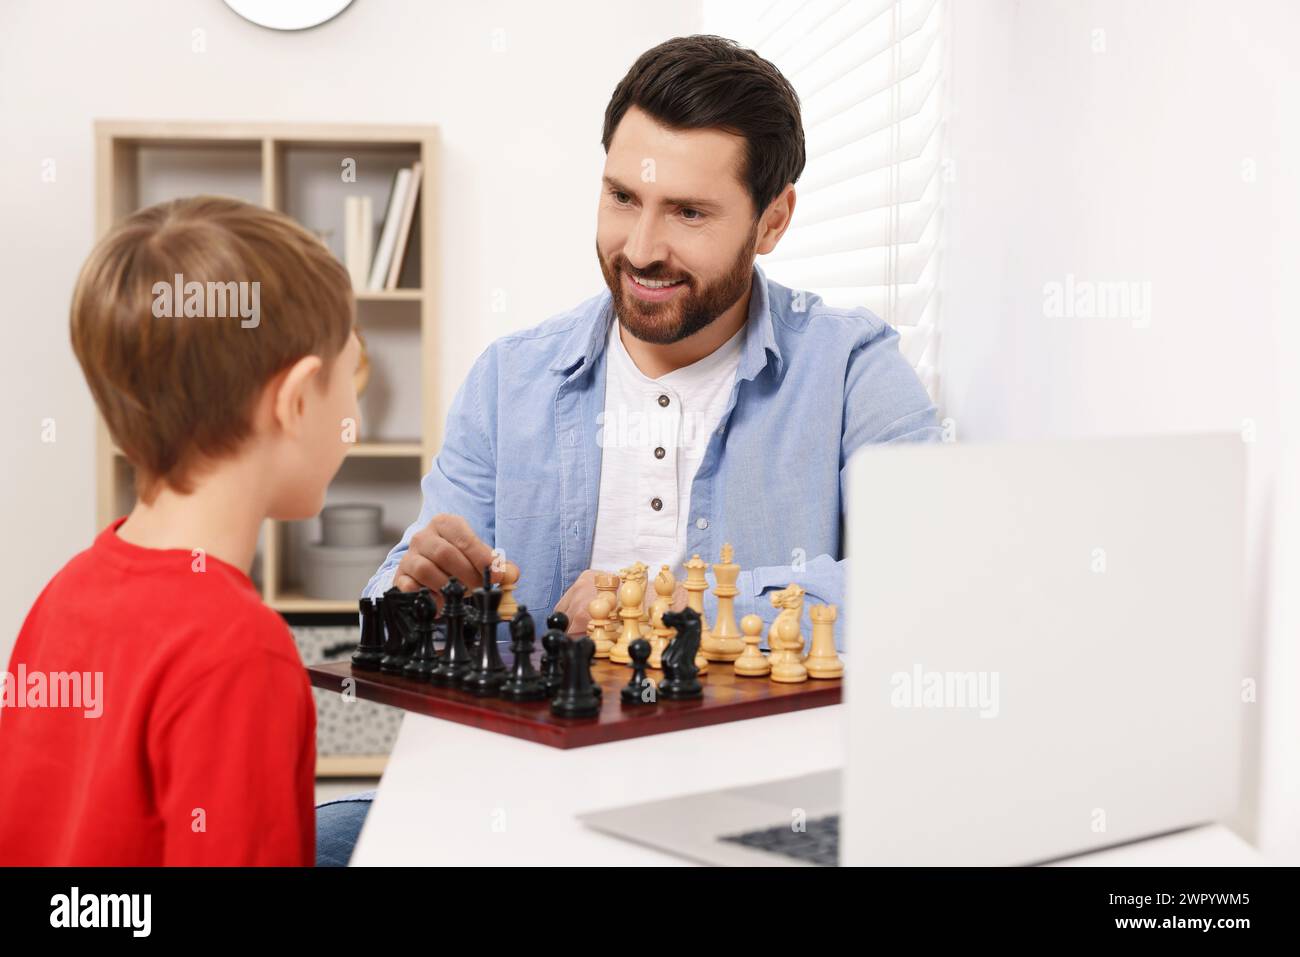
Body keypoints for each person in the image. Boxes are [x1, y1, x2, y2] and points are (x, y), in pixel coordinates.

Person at [365, 35, 940, 631]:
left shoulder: (850, 369)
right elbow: (396, 594)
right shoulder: (507, 380)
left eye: (688, 212)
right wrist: (416, 601)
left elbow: (927, 577)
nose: (640, 251)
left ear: (773, 221)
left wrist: (671, 607)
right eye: (622, 197)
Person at [0, 197, 361, 865]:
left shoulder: (64, 591)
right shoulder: (244, 654)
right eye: (352, 377)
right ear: (298, 399)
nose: (355, 417)